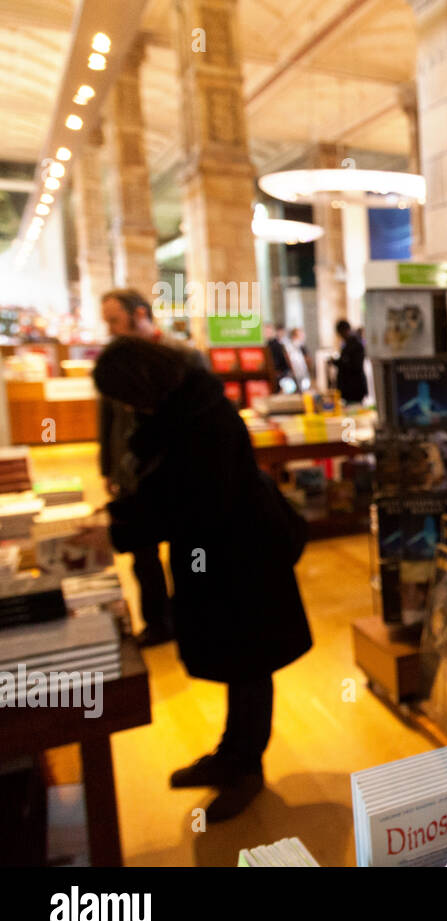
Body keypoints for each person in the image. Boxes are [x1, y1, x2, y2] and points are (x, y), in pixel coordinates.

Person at [84, 336, 312, 822]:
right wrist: (122, 517)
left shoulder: (201, 420)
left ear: (140, 383)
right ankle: (233, 753)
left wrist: (121, 528)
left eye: (124, 394)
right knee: (239, 660)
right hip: (219, 556)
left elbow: (192, 503)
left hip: (240, 557)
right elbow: (176, 495)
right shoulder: (183, 411)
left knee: (249, 660)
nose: (125, 406)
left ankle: (246, 765)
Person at [98, 289, 174, 647]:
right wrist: (109, 469)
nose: (111, 329)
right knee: (143, 556)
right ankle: (157, 622)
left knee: (187, 552)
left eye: (115, 320)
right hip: (131, 475)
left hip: (171, 475)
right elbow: (108, 420)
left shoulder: (175, 358)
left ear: (139, 314)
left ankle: (183, 617)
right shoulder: (116, 362)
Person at [331, 319, 368, 403]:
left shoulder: (355, 344)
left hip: (354, 387)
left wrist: (340, 363)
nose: (340, 336)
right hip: (349, 387)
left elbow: (355, 365)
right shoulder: (348, 343)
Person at [286, 327, 312, 392]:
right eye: (300, 334)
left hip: (303, 373)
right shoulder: (289, 347)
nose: (303, 336)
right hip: (295, 374)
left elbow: (306, 360)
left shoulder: (301, 346)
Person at [266, 326, 291, 391]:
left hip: (279, 373)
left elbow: (282, 359)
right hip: (278, 373)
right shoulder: (268, 344)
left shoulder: (276, 345)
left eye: (269, 331)